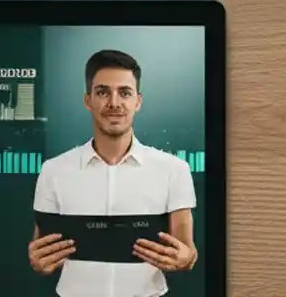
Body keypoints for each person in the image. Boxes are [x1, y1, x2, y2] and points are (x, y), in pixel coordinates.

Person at [28, 49, 198, 297]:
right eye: (103, 92)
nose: (114, 103)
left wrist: (185, 258)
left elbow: (188, 251)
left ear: (138, 101)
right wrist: (39, 261)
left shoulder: (174, 169)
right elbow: (41, 249)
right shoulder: (53, 171)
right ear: (88, 100)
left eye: (125, 93)